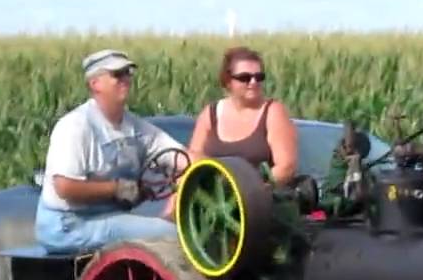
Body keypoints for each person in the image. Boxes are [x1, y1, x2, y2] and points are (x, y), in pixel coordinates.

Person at [34, 49, 187, 255]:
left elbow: (182, 157)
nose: (125, 79)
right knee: (172, 234)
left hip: (105, 218)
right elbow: (64, 187)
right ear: (95, 83)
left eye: (128, 73)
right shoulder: (76, 126)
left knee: (167, 228)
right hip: (67, 225)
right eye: (117, 74)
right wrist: (118, 189)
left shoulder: (136, 127)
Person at [186, 46, 299, 185]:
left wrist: (249, 190)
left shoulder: (273, 112)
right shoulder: (210, 113)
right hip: (215, 201)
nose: (253, 82)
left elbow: (285, 167)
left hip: (261, 200)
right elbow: (192, 159)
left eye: (259, 77)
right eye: (245, 77)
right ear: (228, 81)